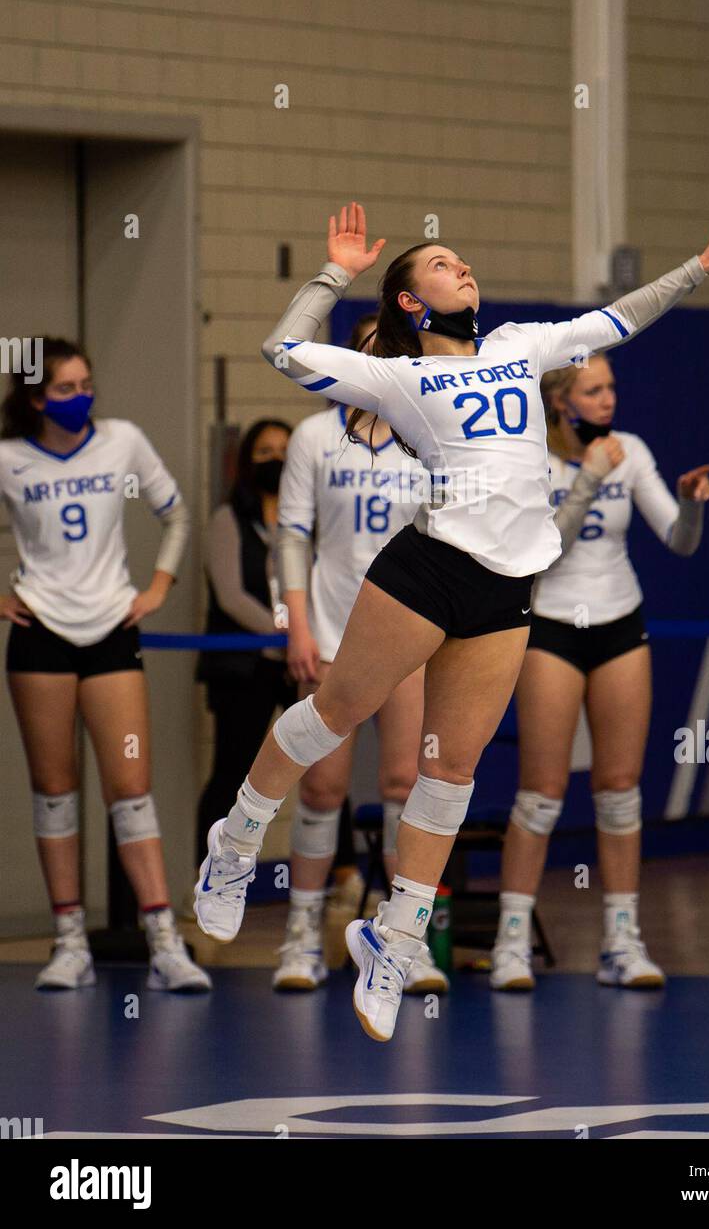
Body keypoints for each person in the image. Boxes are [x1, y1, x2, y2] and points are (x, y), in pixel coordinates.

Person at [195, 197, 709, 1041]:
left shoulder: (521, 346)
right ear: (413, 303)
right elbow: (282, 350)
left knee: (450, 771)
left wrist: (702, 263)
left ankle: (395, 936)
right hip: (431, 567)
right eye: (441, 264)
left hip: (509, 587)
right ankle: (235, 843)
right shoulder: (401, 375)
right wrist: (334, 273)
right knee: (337, 713)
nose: (463, 268)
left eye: (461, 259)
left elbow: (620, 320)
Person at [491, 352, 709, 991]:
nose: (608, 400)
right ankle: (513, 943)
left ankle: (622, 941)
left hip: (620, 622)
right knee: (541, 794)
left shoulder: (631, 450)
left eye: (612, 387)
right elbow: (541, 552)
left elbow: (679, 540)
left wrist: (689, 503)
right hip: (552, 625)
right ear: (561, 400)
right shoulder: (532, 459)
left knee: (619, 789)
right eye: (593, 390)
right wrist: (586, 479)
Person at [0, 338, 210, 992]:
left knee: (130, 786)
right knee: (55, 791)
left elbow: (176, 515)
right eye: (66, 388)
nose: (81, 397)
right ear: (35, 398)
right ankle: (69, 942)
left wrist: (157, 587)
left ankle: (164, 943)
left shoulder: (121, 441)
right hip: (40, 636)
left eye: (87, 383)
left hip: (112, 632)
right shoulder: (9, 458)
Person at [273, 316, 445, 993]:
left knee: (406, 786)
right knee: (320, 788)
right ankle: (300, 935)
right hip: (332, 633)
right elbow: (290, 535)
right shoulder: (314, 437)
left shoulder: (428, 434)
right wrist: (296, 626)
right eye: (374, 344)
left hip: (408, 634)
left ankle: (404, 941)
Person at [195, 418, 296, 862]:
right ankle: (209, 871)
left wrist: (301, 636)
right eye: (264, 452)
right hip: (243, 664)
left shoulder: (305, 517)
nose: (276, 460)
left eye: (284, 451)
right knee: (233, 772)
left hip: (299, 660)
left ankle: (344, 877)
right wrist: (284, 631)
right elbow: (231, 595)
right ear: (246, 463)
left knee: (319, 767)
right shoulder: (228, 518)